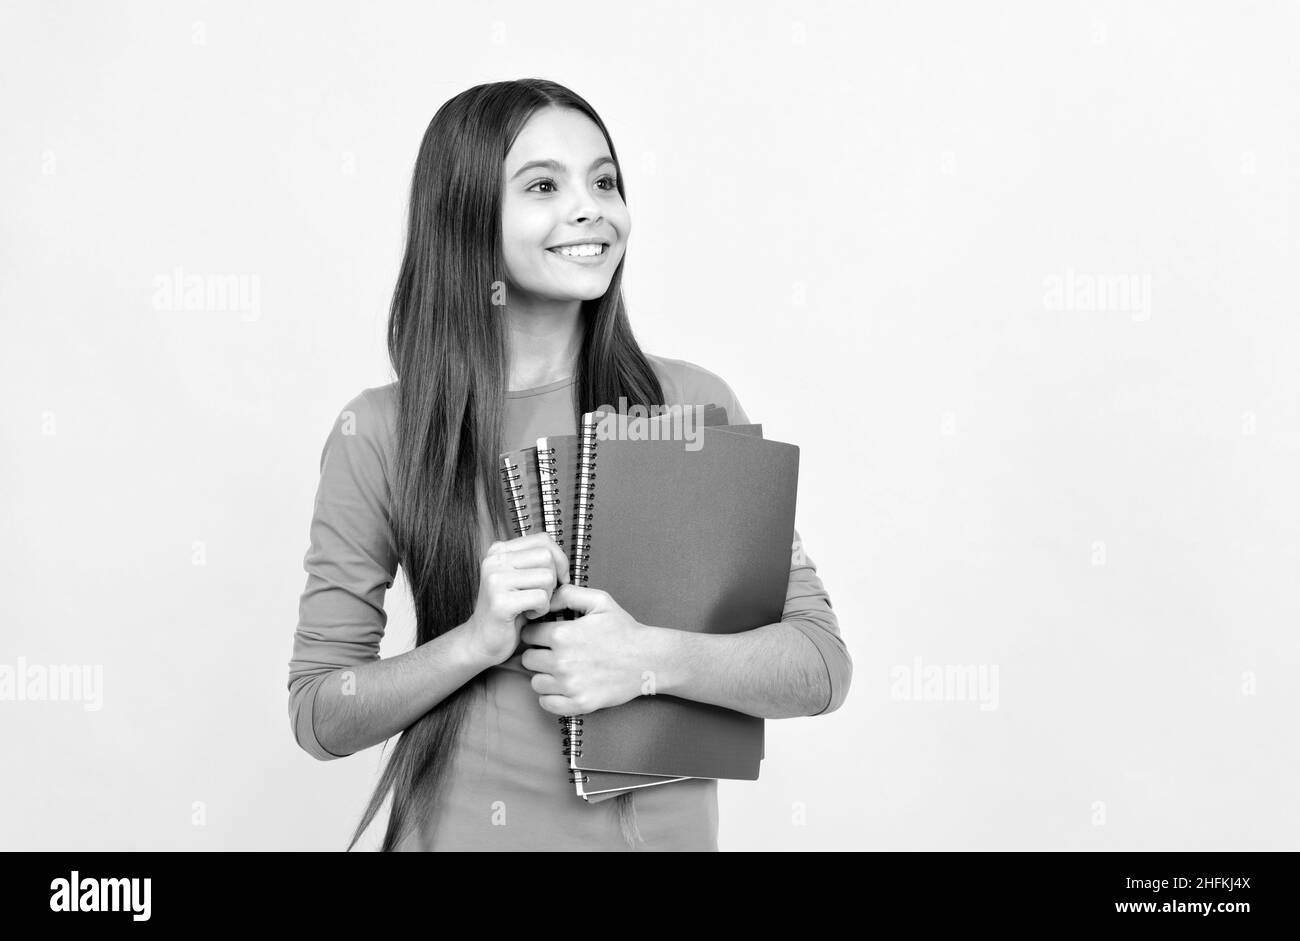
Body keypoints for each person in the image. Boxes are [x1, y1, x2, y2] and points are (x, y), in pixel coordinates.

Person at [286, 78, 852, 851]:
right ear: (467, 217)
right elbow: (322, 713)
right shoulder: (381, 430)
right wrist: (476, 642)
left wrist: (647, 660)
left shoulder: (685, 405)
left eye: (605, 180)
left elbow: (819, 665)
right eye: (544, 185)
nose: (590, 207)